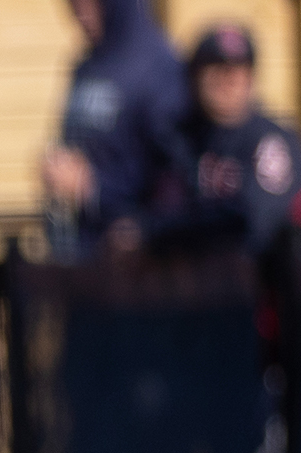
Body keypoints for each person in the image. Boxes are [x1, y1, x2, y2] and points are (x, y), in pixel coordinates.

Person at [41, 0, 186, 261]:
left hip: (136, 261)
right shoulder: (85, 65)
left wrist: (94, 188)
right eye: (74, 4)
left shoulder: (158, 68)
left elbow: (175, 176)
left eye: (90, 4)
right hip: (83, 251)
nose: (80, 14)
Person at [141, 24, 301, 256]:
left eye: (237, 70)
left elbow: (254, 226)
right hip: (188, 279)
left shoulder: (272, 141)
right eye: (216, 69)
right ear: (194, 77)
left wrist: (164, 230)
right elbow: (155, 207)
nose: (227, 81)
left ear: (251, 79)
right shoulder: (177, 137)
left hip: (255, 281)